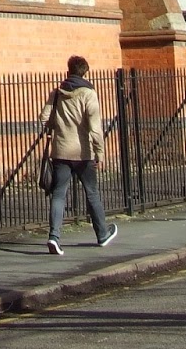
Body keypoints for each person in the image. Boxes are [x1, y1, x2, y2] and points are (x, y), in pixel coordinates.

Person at [37, 55, 118, 255]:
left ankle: (54, 237)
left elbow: (44, 117)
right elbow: (95, 127)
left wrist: (58, 127)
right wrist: (100, 152)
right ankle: (102, 234)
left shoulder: (57, 92)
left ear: (69, 70)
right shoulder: (88, 93)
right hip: (83, 153)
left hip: (61, 151)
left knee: (58, 195)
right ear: (85, 72)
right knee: (91, 193)